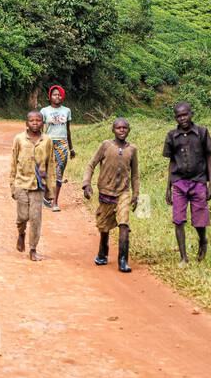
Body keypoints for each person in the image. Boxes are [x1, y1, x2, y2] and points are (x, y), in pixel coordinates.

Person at [82, 118, 140, 274]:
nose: (121, 130)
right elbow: (91, 164)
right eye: (118, 128)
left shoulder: (132, 149)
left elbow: (135, 174)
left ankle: (123, 260)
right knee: (104, 225)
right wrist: (86, 183)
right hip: (106, 192)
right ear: (113, 130)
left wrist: (136, 194)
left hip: (123, 192)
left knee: (124, 224)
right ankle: (103, 251)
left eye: (124, 128)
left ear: (129, 130)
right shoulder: (106, 146)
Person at [163, 102, 211, 266]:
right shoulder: (171, 136)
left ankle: (202, 240)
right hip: (179, 182)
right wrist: (168, 188)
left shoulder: (202, 132)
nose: (182, 118)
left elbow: (209, 157)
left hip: (198, 181)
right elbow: (171, 162)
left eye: (185, 115)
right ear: (175, 118)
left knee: (199, 220)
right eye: (179, 116)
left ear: (191, 114)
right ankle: (183, 257)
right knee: (178, 220)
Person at [9, 110, 53, 262]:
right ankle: (21, 233)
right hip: (21, 183)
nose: (35, 123)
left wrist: (50, 190)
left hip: (38, 186)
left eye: (38, 120)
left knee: (35, 218)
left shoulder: (47, 141)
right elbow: (13, 162)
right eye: (32, 120)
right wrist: (12, 185)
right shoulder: (19, 139)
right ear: (26, 123)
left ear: (43, 123)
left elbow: (51, 165)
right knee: (22, 217)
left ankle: (33, 249)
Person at [39, 84, 74, 212]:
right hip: (48, 143)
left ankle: (55, 202)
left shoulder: (67, 110)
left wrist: (71, 148)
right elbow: (40, 130)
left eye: (59, 94)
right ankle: (45, 197)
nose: (57, 96)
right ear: (50, 96)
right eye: (54, 94)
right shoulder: (44, 111)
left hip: (62, 144)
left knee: (59, 172)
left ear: (62, 96)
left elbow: (68, 130)